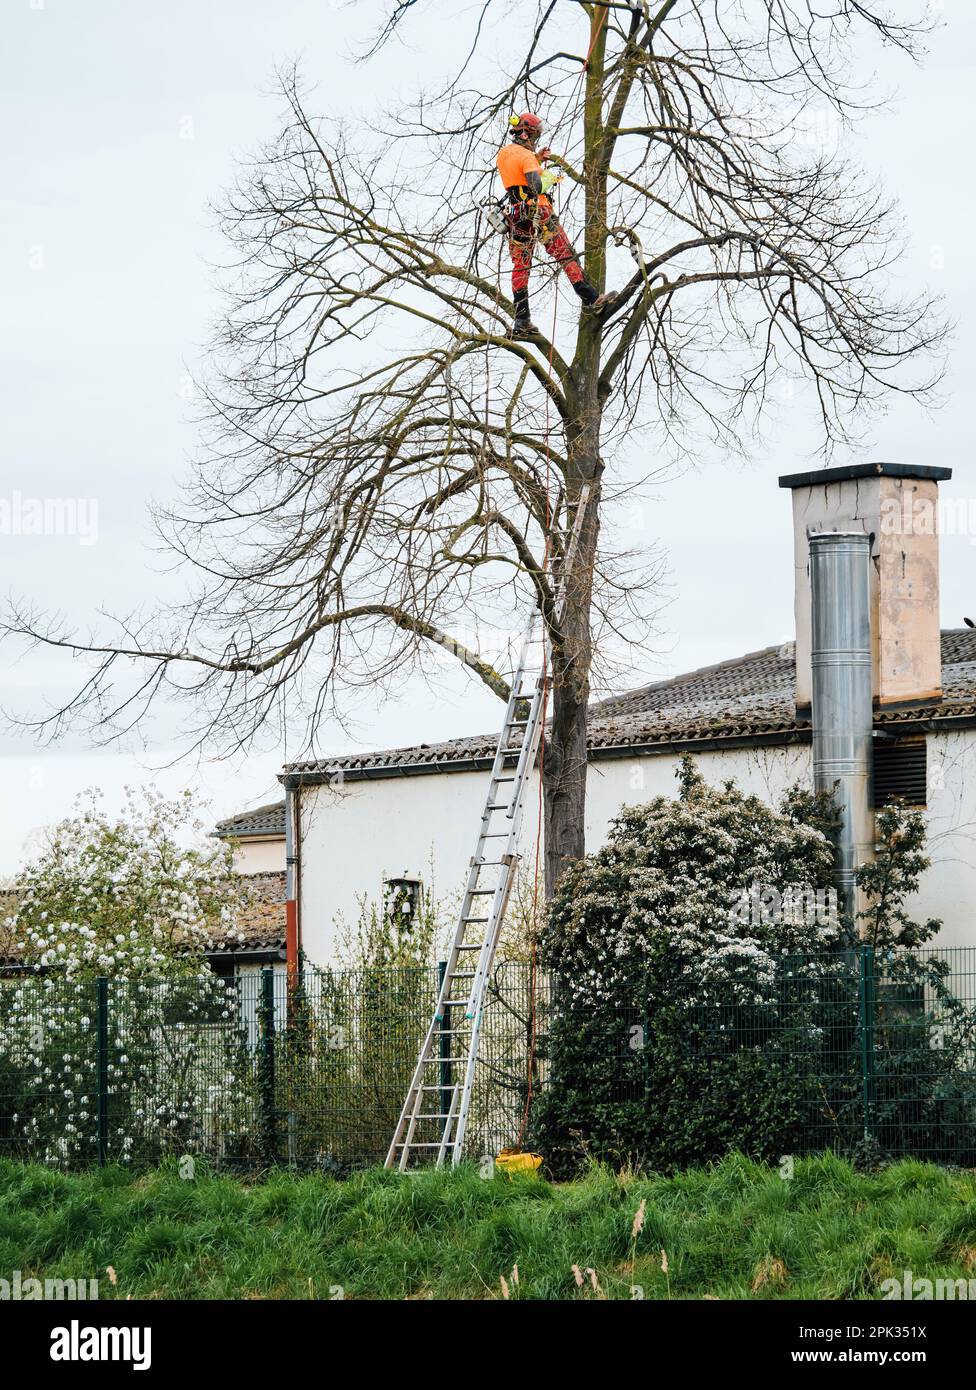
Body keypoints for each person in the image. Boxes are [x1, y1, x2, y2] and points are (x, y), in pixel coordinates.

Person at [496, 111, 613, 338]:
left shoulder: (504, 154)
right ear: (527, 133)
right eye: (535, 136)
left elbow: (518, 172)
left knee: (521, 265)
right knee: (564, 254)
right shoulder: (526, 157)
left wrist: (537, 159)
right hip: (538, 213)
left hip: (515, 216)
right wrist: (547, 177)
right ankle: (592, 299)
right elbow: (535, 186)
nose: (535, 141)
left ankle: (521, 320)